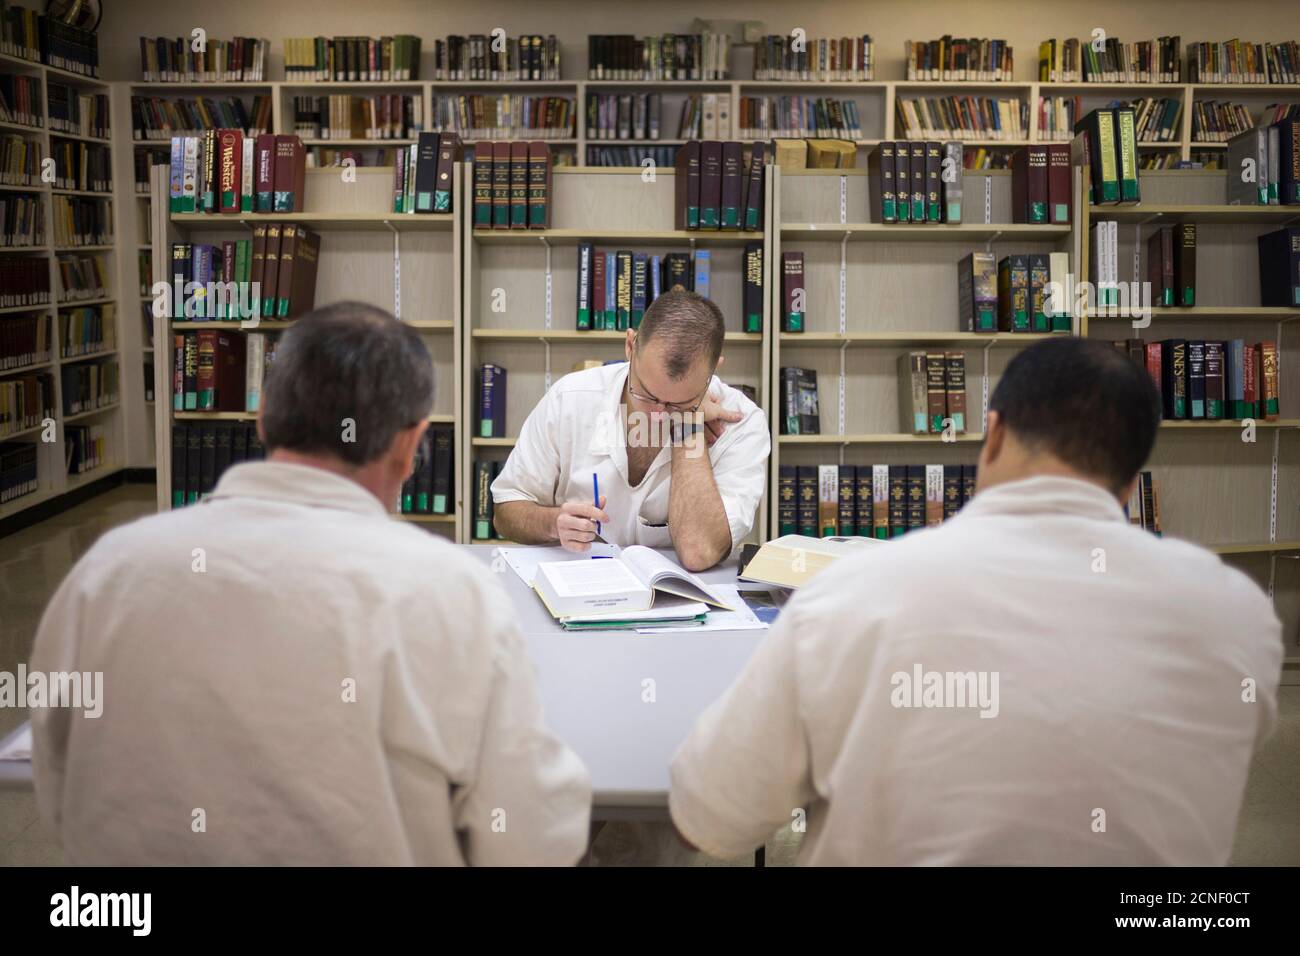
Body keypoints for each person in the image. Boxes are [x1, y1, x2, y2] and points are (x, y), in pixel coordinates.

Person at [668, 337, 1283, 865]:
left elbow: (714, 816)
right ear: (1130, 481)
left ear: (992, 436)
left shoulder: (853, 597)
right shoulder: (1239, 613)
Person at [30, 301, 591, 866]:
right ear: (411, 444)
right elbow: (528, 843)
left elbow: (55, 781)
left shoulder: (107, 571)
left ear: (264, 415)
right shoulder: (454, 594)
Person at [491, 290, 770, 571]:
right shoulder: (570, 398)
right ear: (630, 345)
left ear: (713, 369)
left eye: (680, 402)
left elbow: (699, 552)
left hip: (680, 600)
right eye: (647, 394)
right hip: (575, 586)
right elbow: (505, 511)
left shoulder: (742, 425)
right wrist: (551, 523)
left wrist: (689, 425)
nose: (659, 414)